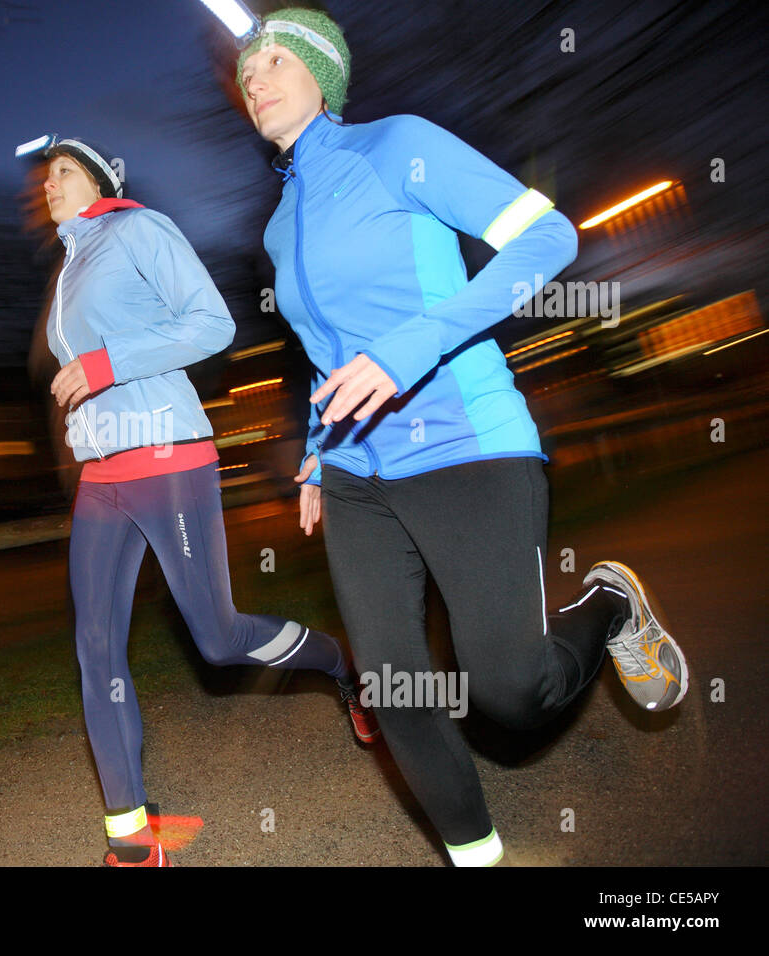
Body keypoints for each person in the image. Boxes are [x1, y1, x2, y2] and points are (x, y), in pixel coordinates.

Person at [233, 7, 689, 867]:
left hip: (467, 445)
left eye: (277, 59)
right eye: (246, 69)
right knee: (396, 687)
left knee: (512, 695)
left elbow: (550, 237)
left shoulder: (398, 146)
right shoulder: (276, 227)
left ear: (322, 77)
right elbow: (325, 354)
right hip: (359, 474)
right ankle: (478, 856)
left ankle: (612, 601)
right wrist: (315, 455)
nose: (254, 77)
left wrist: (404, 351)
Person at [21, 133, 377, 866]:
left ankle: (344, 669)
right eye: (44, 176)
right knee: (94, 647)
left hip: (167, 458)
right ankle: (131, 838)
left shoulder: (137, 229)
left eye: (62, 172)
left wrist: (105, 364)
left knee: (217, 639)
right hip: (102, 476)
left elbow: (212, 325)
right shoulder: (70, 263)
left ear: (99, 180)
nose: (47, 185)